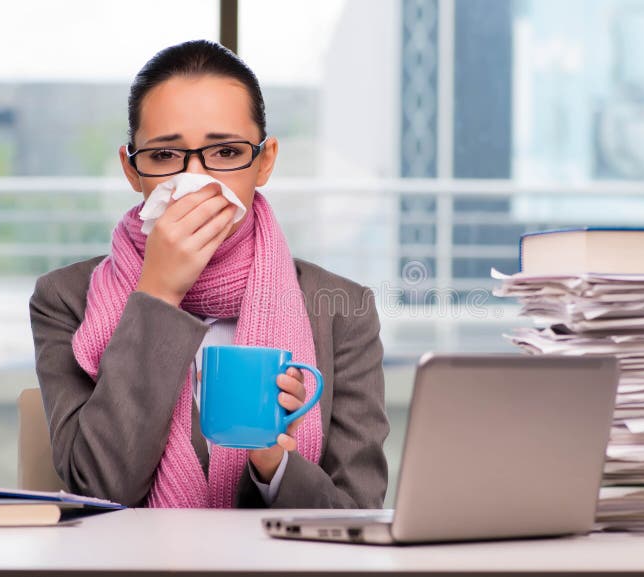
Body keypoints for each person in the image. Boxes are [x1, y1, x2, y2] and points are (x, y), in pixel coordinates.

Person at [29, 40, 389, 508]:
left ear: (264, 161)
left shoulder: (341, 308)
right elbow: (97, 489)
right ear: (131, 169)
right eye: (163, 156)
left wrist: (274, 463)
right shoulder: (66, 298)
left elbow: (358, 515)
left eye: (224, 152)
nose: (195, 179)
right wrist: (156, 293)